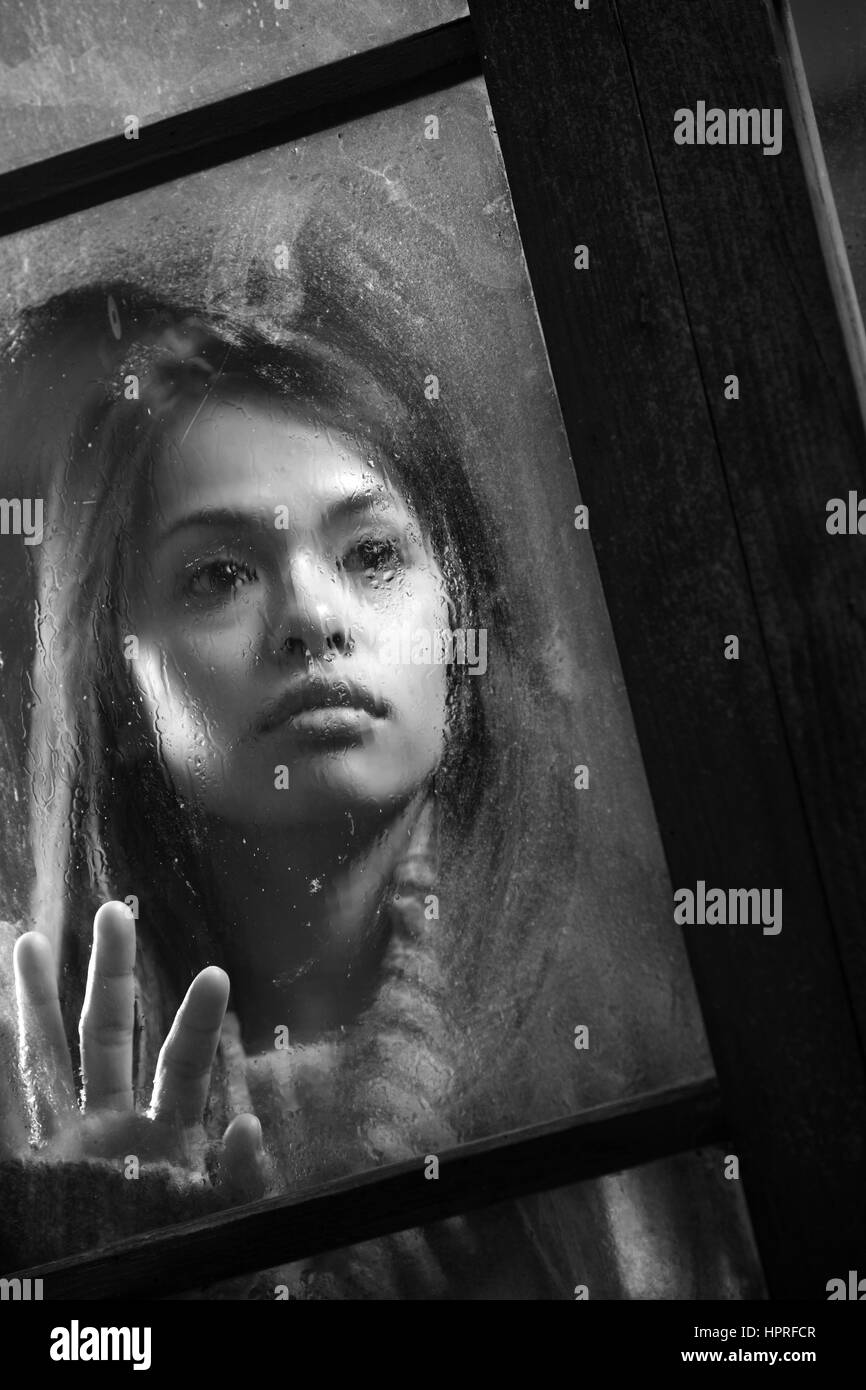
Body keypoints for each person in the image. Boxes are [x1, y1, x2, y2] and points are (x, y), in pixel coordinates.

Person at [0, 271, 762, 1298]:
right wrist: (107, 1261)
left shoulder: (660, 1017)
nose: (312, 617)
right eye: (219, 573)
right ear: (120, 690)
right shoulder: (43, 1112)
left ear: (455, 630)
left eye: (370, 554)